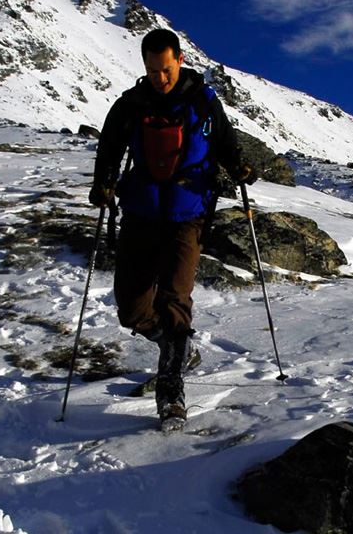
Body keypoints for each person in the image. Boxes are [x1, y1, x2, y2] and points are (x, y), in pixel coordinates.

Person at [89, 28, 255, 428]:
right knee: (131, 308)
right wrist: (104, 183)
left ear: (179, 59)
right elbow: (110, 147)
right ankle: (171, 344)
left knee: (175, 296)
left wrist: (239, 167)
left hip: (188, 213)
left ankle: (171, 393)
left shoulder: (204, 101)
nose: (159, 78)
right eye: (151, 70)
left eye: (165, 69)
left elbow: (226, 143)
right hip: (141, 212)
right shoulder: (131, 104)